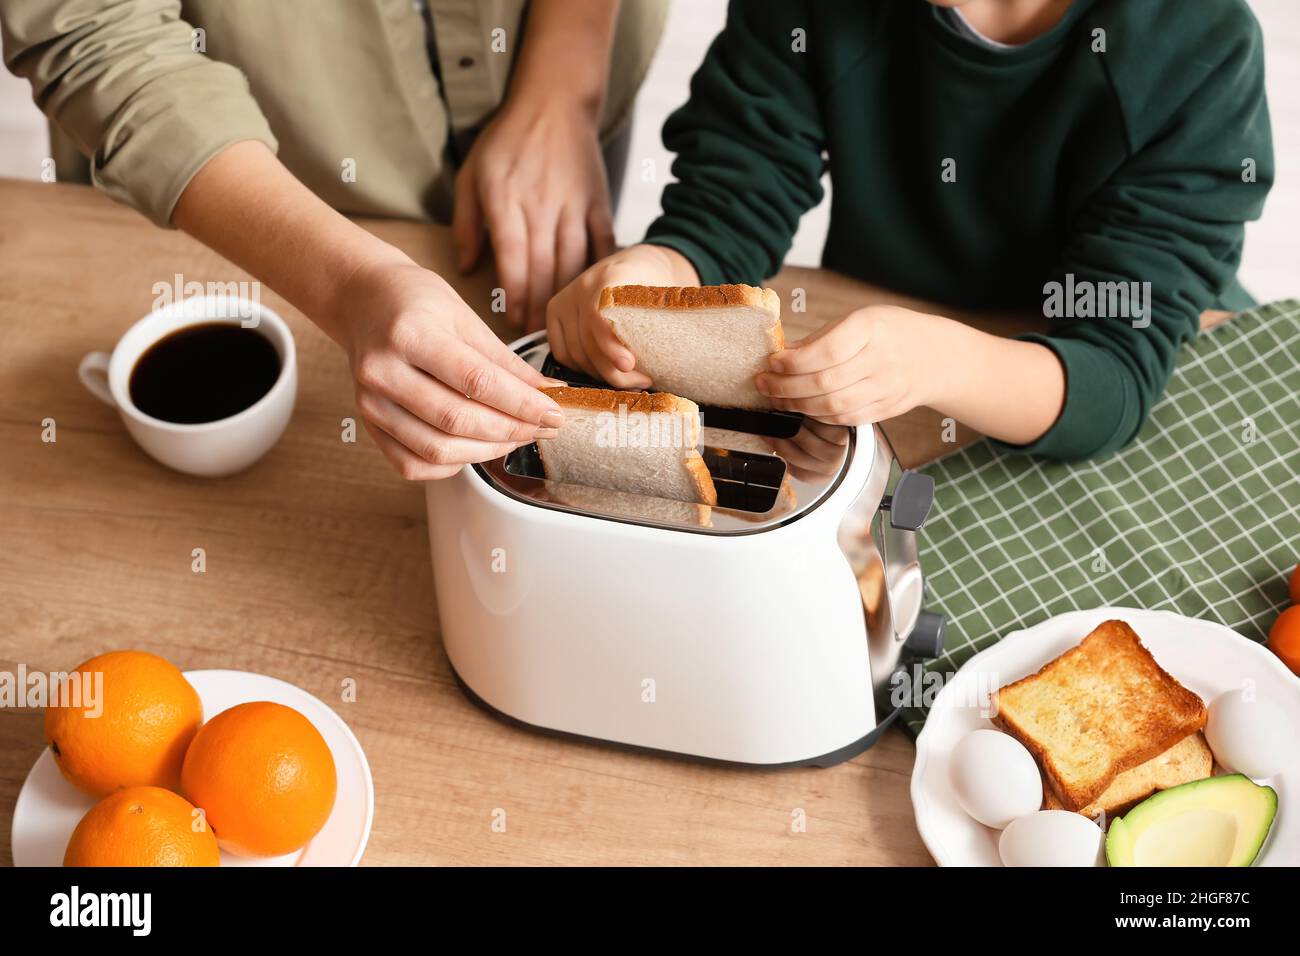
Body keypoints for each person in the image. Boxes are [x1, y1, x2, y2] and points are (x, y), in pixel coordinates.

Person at [548, 0, 1274, 460]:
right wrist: (661, 268)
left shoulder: (1198, 41)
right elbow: (733, 195)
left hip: (1136, 383)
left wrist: (940, 362)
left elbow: (1113, 374)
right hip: (894, 346)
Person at [1, 0, 666, 478]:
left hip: (562, 66)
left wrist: (563, 89)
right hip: (267, 166)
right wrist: (348, 285)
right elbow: (86, 25)